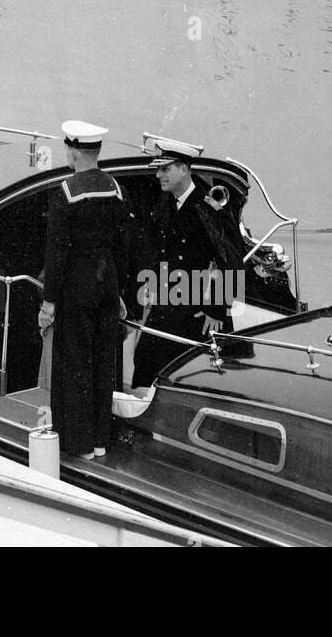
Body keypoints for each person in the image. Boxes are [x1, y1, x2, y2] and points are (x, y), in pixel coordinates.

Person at [37, 122, 131, 459]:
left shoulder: (66, 193)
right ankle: (101, 440)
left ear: (74, 151)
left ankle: (78, 445)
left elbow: (56, 253)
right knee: (104, 361)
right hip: (108, 284)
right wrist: (118, 291)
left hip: (76, 287)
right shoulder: (116, 189)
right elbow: (122, 246)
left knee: (75, 362)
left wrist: (49, 302)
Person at [129, 140, 245, 390]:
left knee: (189, 374)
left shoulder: (207, 209)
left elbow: (233, 262)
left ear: (184, 168)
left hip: (200, 311)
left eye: (165, 169)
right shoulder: (164, 203)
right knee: (145, 361)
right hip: (168, 302)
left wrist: (216, 310)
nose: (158, 174)